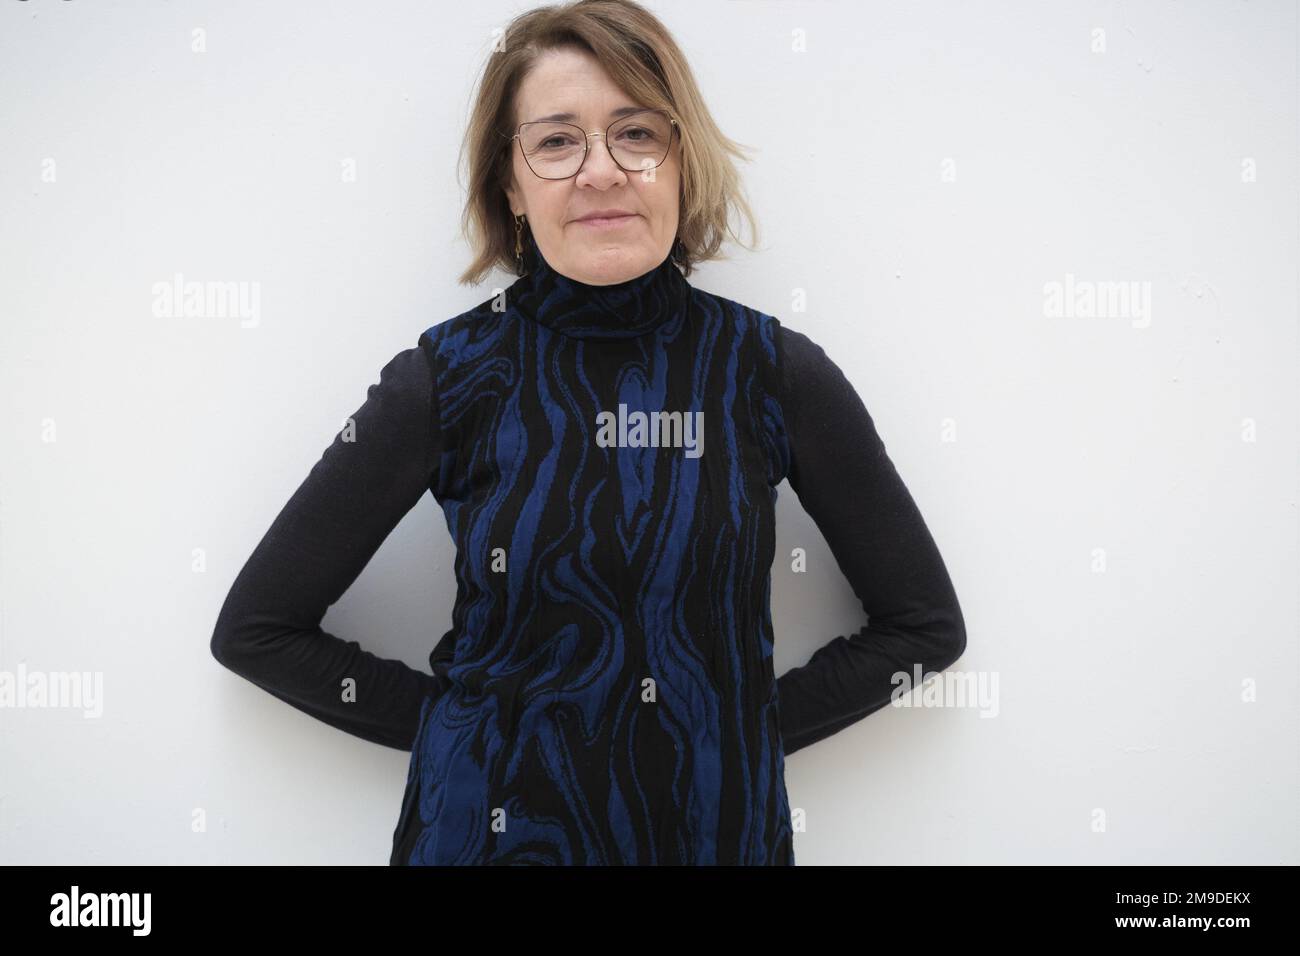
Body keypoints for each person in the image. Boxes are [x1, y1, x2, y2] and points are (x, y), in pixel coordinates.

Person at [210, 0, 966, 866]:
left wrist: (733, 736)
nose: (601, 171)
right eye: (557, 140)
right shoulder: (444, 379)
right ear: (510, 181)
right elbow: (257, 631)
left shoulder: (772, 372)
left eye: (638, 133)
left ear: (684, 161)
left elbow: (923, 628)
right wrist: (482, 736)